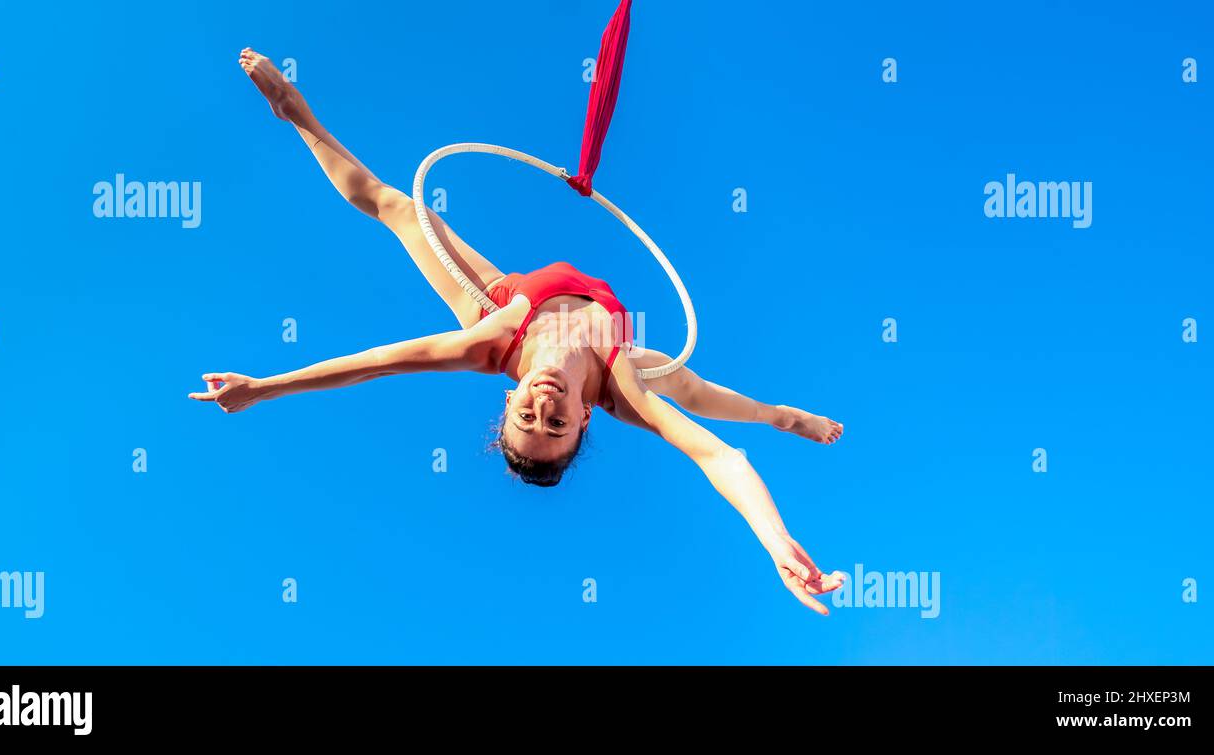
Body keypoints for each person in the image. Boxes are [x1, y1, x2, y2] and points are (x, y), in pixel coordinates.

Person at [191, 49, 847, 613]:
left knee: (389, 202)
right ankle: (781, 415)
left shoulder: (487, 342)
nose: (543, 406)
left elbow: (376, 361)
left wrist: (263, 386)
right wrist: (776, 542)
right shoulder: (620, 387)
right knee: (689, 389)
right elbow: (716, 455)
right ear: (585, 419)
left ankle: (294, 113)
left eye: (525, 416)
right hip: (611, 338)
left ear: (506, 402)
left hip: (509, 300)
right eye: (555, 424)